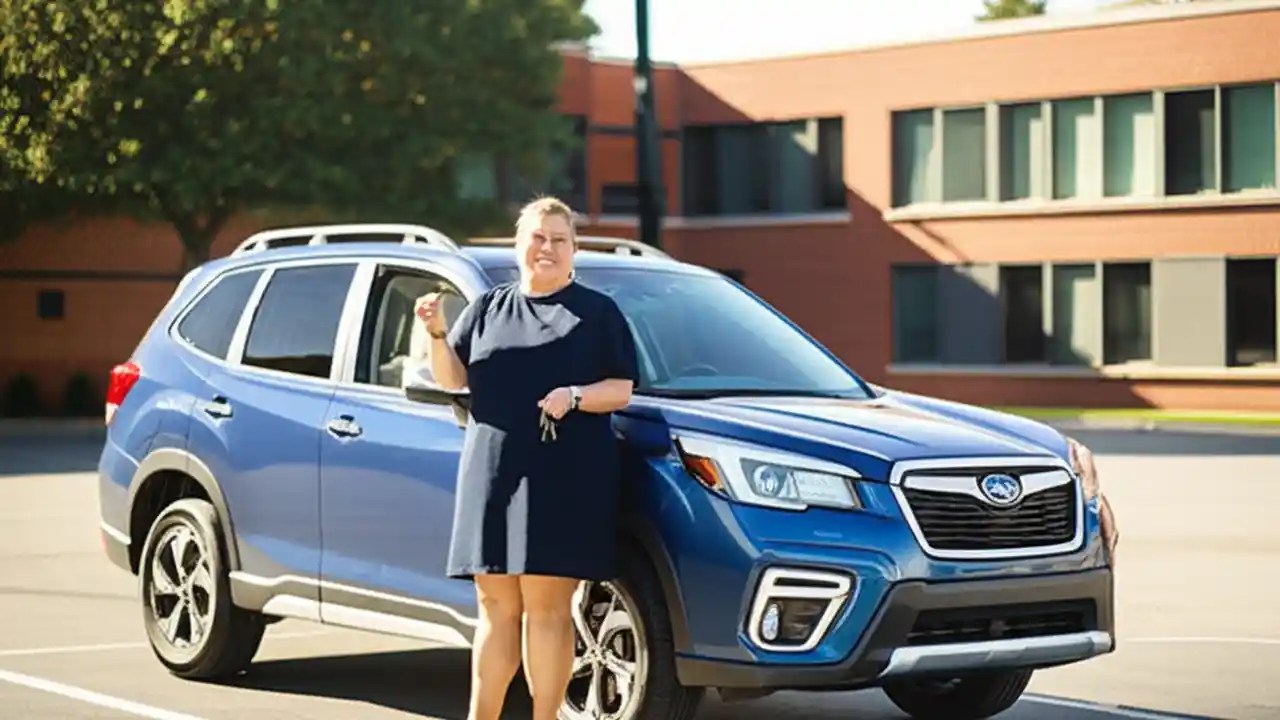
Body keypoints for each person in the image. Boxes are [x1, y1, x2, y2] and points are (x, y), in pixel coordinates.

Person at [414, 196, 639, 720]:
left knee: (547, 610)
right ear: (519, 246)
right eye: (538, 237)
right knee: (494, 607)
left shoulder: (597, 312)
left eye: (559, 239)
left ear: (573, 250)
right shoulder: (489, 308)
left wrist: (576, 396)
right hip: (492, 470)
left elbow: (622, 388)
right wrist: (435, 333)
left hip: (564, 475)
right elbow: (454, 380)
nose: (548, 248)